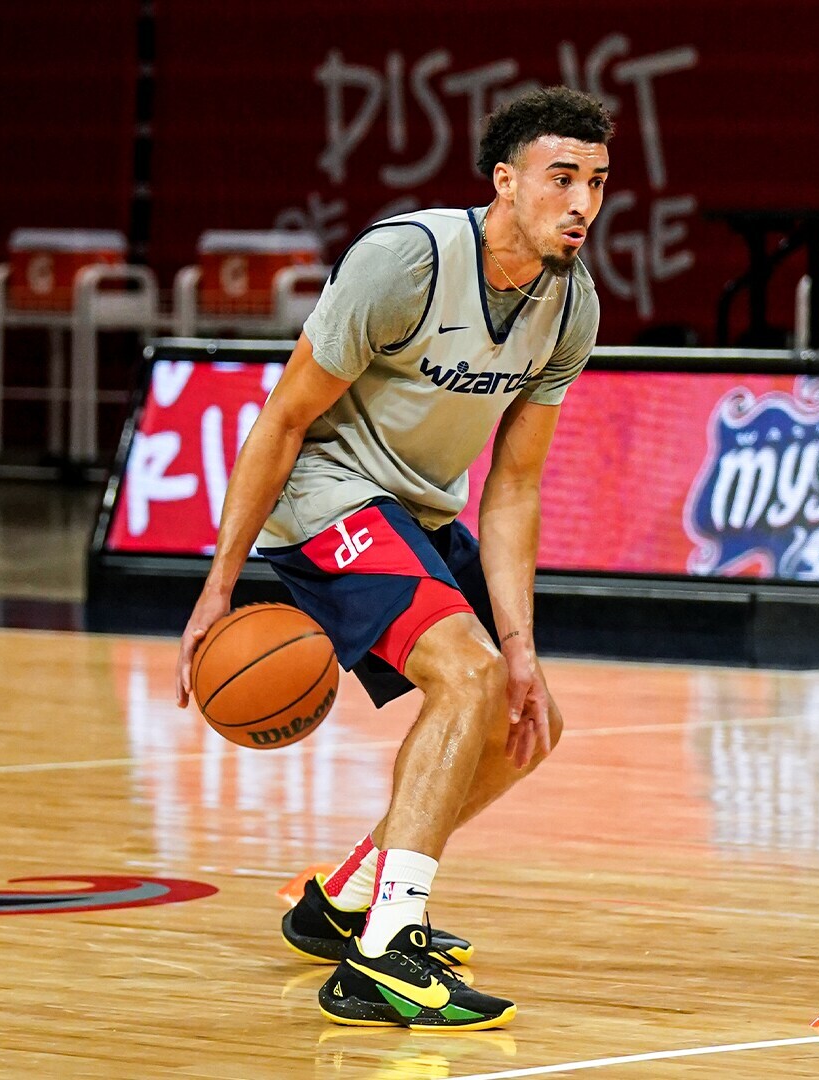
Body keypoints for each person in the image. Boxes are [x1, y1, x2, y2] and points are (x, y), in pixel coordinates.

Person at [176, 85, 613, 1030]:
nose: (582, 202)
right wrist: (216, 590)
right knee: (466, 678)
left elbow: (514, 488)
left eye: (598, 183)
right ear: (505, 182)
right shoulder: (403, 262)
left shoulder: (570, 307)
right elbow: (284, 418)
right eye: (562, 178)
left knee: (526, 717)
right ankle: (386, 952)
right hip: (325, 491)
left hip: (414, 508)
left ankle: (350, 900)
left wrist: (523, 643)